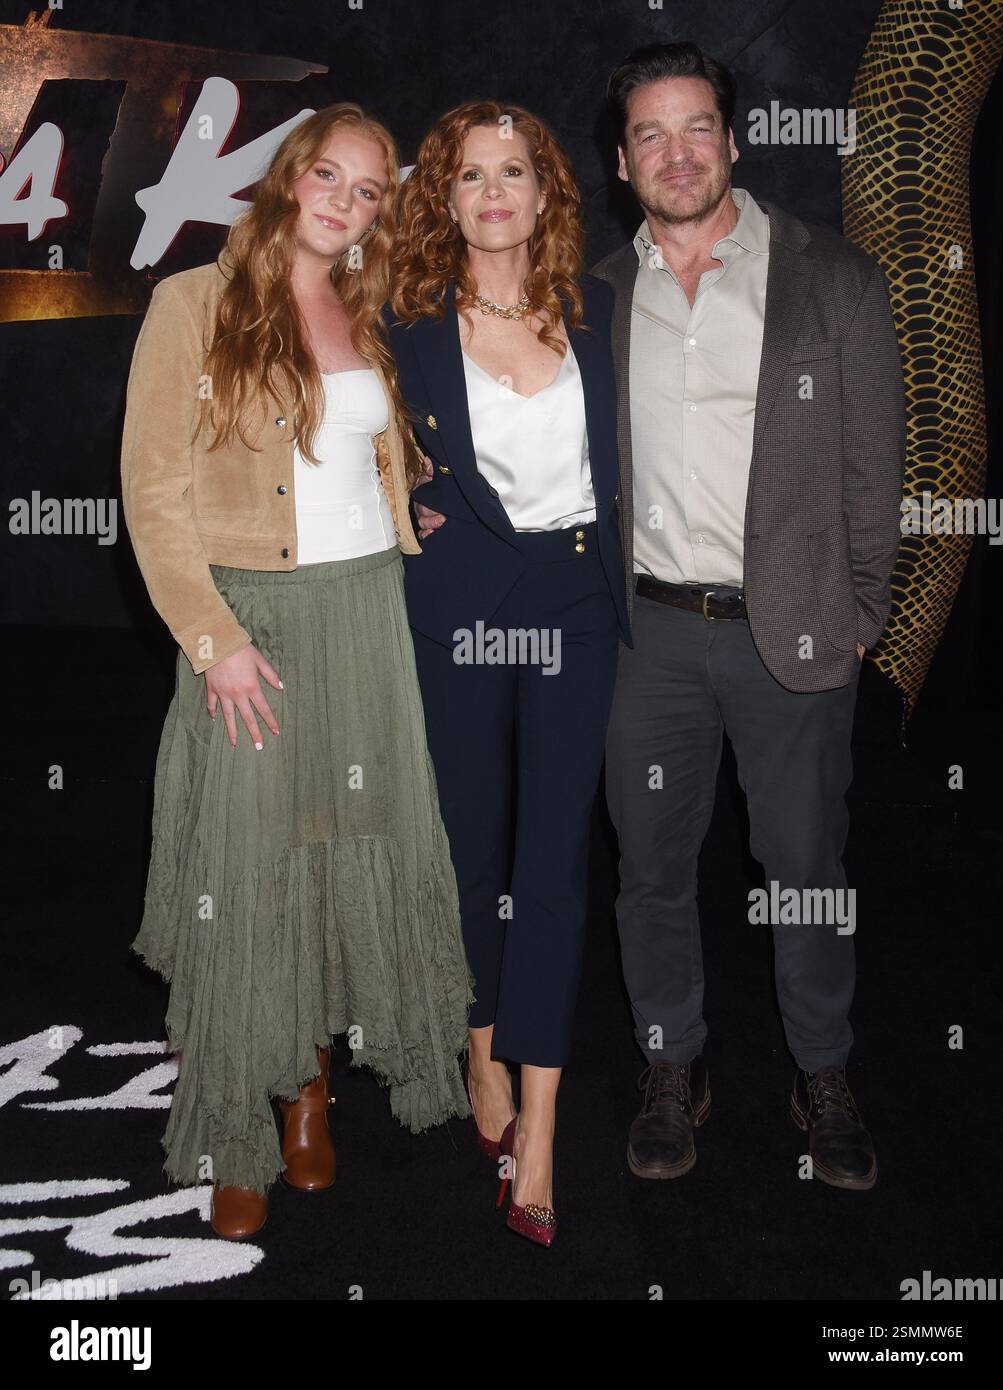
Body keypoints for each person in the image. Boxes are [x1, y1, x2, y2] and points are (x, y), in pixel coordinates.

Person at [120, 103, 473, 1239]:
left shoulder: (369, 309)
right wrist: (214, 642)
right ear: (288, 175)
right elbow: (154, 498)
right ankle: (235, 1121)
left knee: (338, 847)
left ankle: (312, 1085)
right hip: (252, 625)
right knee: (248, 868)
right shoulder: (192, 302)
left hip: (366, 612)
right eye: (330, 174)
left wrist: (404, 500)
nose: (348, 201)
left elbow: (364, 447)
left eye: (371, 190)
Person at [593, 42, 905, 1189]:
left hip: (797, 634)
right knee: (650, 869)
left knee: (804, 866)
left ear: (729, 139)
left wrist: (860, 609)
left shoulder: (834, 279)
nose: (675, 153)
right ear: (622, 162)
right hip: (647, 640)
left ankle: (820, 1070)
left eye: (694, 128)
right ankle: (671, 1063)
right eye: (648, 136)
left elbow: (876, 470)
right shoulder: (596, 291)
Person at [385, 101, 631, 1244]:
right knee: (469, 848)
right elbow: (343, 442)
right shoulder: (405, 323)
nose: (494, 191)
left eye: (514, 170)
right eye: (471, 173)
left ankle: (538, 1122)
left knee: (552, 864)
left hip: (575, 604)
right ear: (444, 196)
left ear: (546, 193)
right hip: (462, 609)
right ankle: (480, 1045)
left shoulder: (603, 313)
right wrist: (407, 508)